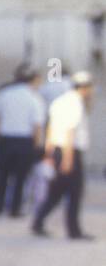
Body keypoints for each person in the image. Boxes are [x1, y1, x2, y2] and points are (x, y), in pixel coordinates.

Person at [32, 72, 94, 240]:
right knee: (74, 193)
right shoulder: (74, 104)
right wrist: (68, 160)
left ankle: (38, 221)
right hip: (69, 152)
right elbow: (69, 132)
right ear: (84, 87)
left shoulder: (60, 102)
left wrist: (49, 153)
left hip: (59, 151)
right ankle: (74, 231)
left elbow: (51, 129)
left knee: (56, 192)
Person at [0, 65, 45, 217]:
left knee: (2, 174)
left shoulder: (4, 94)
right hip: (24, 141)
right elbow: (37, 125)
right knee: (20, 176)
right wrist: (37, 144)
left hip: (5, 139)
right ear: (32, 80)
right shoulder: (34, 98)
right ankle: (14, 208)